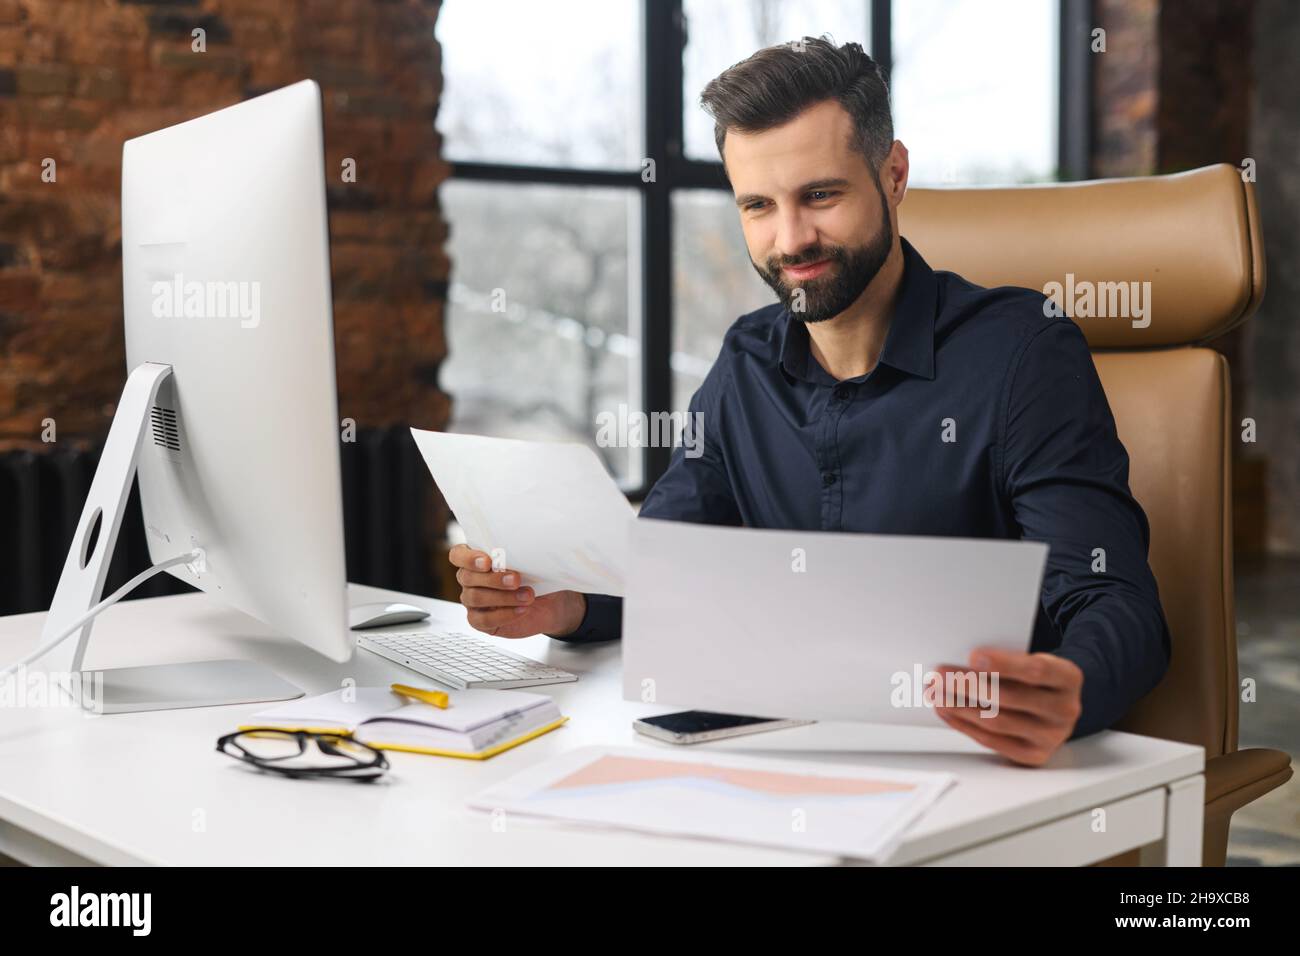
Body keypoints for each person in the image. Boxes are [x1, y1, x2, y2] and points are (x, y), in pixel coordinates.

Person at [448, 37, 1170, 767]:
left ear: (893, 176)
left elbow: (1116, 601)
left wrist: (1070, 686)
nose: (790, 239)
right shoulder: (746, 362)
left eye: (820, 195)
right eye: (758, 205)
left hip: (975, 773)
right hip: (780, 769)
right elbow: (667, 567)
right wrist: (562, 604)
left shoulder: (1023, 354)